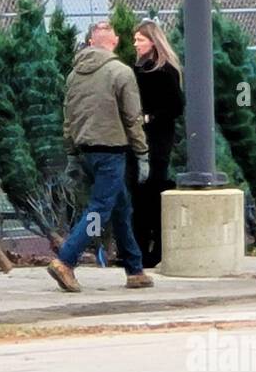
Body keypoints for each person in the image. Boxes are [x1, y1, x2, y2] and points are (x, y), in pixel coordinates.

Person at [47, 21, 151, 292]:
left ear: (91, 42)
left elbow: (68, 117)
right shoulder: (121, 72)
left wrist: (71, 153)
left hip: (85, 152)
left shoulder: (74, 75)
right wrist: (142, 153)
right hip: (111, 151)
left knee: (120, 207)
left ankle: (135, 268)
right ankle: (66, 260)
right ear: (114, 41)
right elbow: (132, 118)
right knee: (99, 210)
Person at [130, 20, 184, 269]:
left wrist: (150, 117)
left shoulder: (164, 70)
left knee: (152, 191)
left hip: (158, 139)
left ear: (152, 41)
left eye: (140, 39)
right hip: (140, 137)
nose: (136, 44)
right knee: (140, 195)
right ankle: (139, 248)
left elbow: (175, 106)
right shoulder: (138, 69)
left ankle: (156, 248)